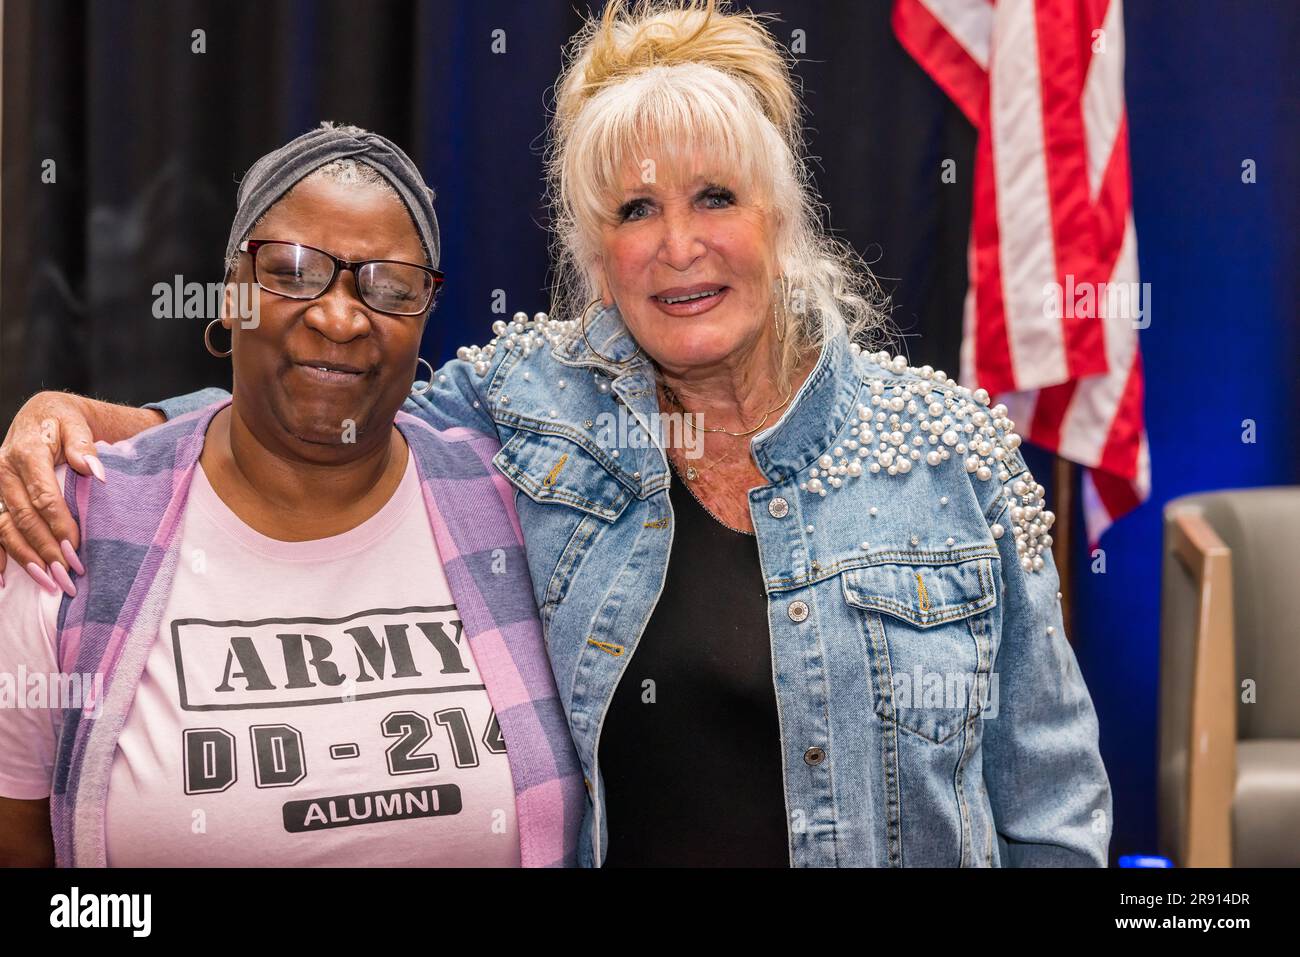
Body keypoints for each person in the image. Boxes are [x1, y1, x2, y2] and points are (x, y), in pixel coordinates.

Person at [0, 0, 1110, 867]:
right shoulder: (529, 407)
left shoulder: (952, 452)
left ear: (781, 218)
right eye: (633, 210)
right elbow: (325, 402)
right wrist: (117, 436)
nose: (678, 246)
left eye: (714, 197)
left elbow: (1052, 810)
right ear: (593, 252)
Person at [0, 124, 583, 867]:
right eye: (293, 270)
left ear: (425, 315)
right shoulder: (72, 529)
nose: (339, 316)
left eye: (390, 283)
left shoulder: (522, 507)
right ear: (231, 291)